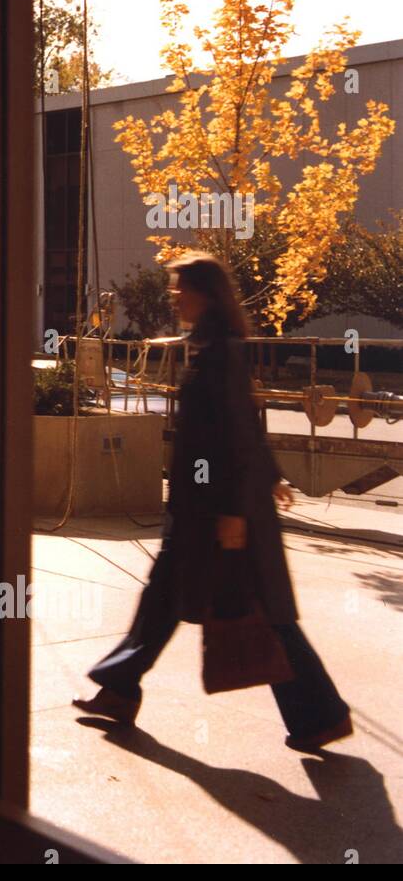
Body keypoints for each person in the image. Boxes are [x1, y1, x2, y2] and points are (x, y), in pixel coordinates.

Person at [73, 251, 353, 752]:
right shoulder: (213, 346)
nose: (174, 296)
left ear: (204, 293)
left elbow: (234, 433)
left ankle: (322, 715)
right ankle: (118, 689)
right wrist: (266, 479)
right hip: (200, 507)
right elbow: (241, 424)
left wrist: (234, 511)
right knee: (166, 599)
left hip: (215, 511)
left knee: (259, 612)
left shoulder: (220, 351)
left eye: (181, 287)